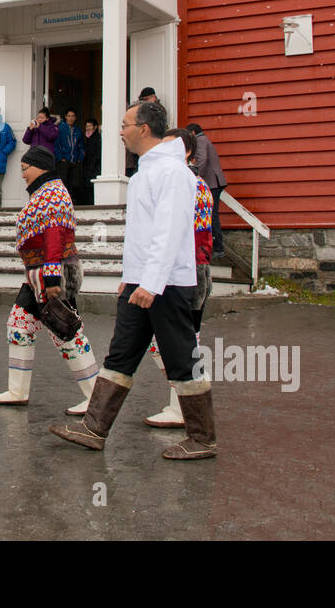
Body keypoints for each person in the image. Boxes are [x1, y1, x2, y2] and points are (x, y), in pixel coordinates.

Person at [50, 100, 216, 459]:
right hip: (142, 285)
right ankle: (94, 428)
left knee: (182, 358)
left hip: (165, 285)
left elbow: (169, 232)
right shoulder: (145, 174)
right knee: (121, 354)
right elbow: (142, 235)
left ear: (144, 129)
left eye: (124, 124)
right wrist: (131, 278)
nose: (119, 131)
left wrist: (151, 283)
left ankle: (202, 439)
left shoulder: (172, 173)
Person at [0, 145, 99, 415]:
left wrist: (50, 279)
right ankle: (17, 390)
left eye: (25, 168)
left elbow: (54, 236)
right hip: (38, 275)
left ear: (40, 167)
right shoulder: (45, 193)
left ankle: (96, 397)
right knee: (18, 325)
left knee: (67, 330)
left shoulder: (52, 195)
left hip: (52, 274)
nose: (22, 174)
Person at [143, 128, 213, 428]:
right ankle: (187, 397)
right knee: (172, 341)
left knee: (181, 341)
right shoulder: (181, 182)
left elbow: (177, 234)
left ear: (186, 153)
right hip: (177, 269)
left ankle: (188, 399)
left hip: (187, 271)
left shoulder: (190, 185)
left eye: (171, 148)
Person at [187, 122, 227, 253]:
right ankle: (216, 246)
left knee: (212, 215)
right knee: (212, 214)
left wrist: (196, 175)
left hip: (212, 182)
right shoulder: (204, 140)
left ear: (192, 133)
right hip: (215, 181)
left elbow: (202, 160)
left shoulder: (200, 141)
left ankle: (218, 247)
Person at [55, 108, 85, 202]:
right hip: (63, 161)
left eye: (73, 116)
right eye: (69, 116)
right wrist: (61, 158)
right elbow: (56, 145)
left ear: (75, 118)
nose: (71, 118)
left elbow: (81, 146)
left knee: (74, 184)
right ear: (65, 117)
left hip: (74, 161)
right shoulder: (60, 129)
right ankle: (62, 202)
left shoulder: (78, 131)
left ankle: (72, 203)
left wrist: (80, 158)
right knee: (63, 182)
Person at [80, 117, 101, 207]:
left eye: (90, 126)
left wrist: (92, 165)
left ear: (95, 127)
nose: (88, 128)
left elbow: (97, 153)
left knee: (90, 187)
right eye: (86, 126)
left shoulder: (96, 138)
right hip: (88, 167)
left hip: (93, 168)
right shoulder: (88, 138)